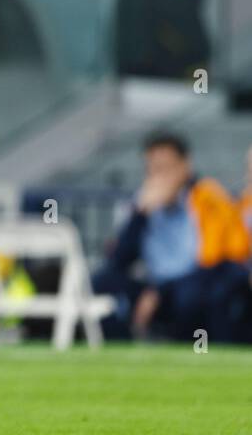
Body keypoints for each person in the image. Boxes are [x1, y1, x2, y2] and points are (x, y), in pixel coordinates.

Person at [95, 133, 249, 342]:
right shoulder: (143, 205)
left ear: (185, 166)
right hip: (155, 285)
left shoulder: (206, 196)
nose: (160, 176)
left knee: (191, 295)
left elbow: (212, 261)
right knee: (102, 283)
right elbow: (118, 262)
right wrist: (140, 215)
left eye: (166, 168)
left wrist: (160, 292)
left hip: (195, 283)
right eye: (153, 169)